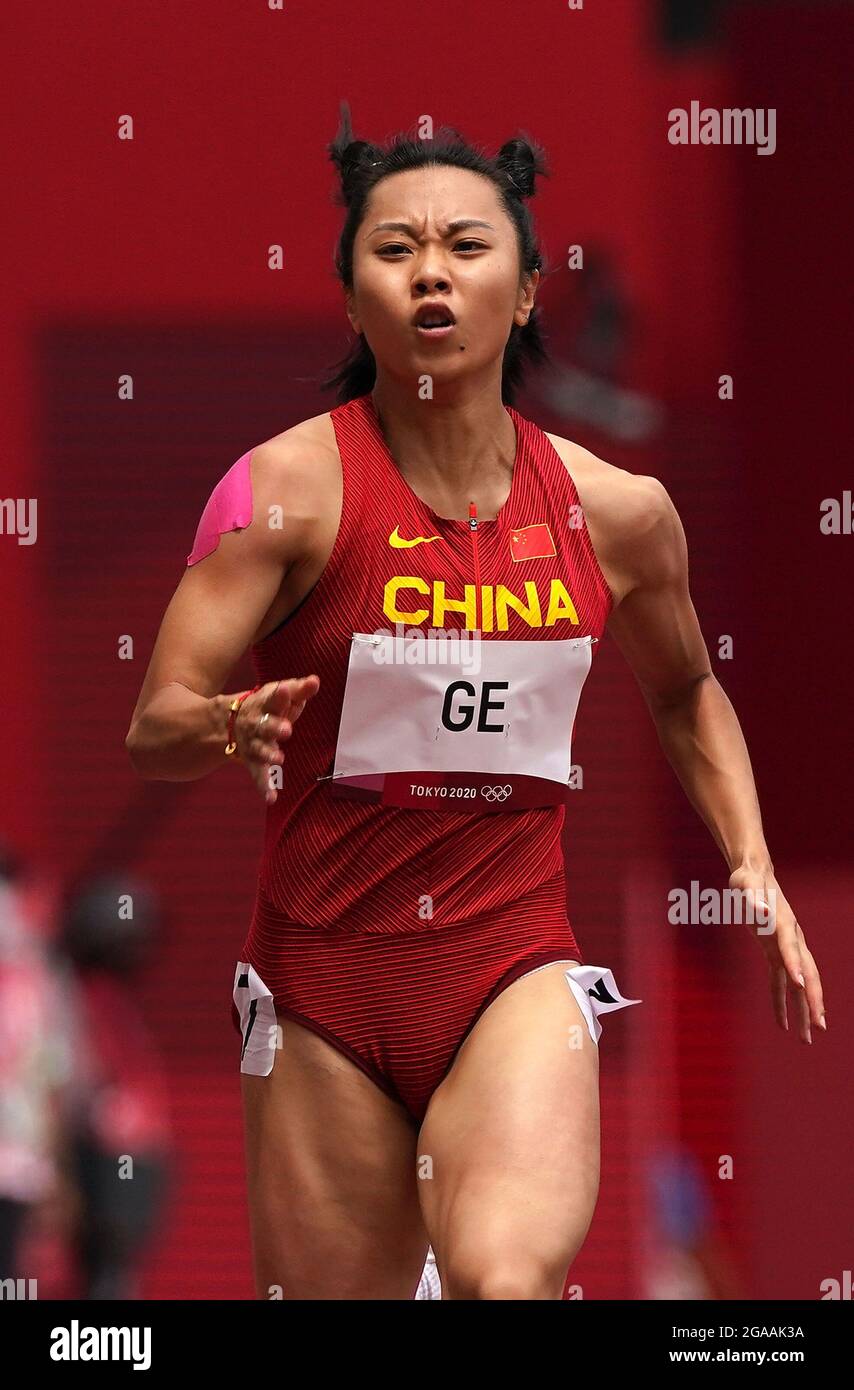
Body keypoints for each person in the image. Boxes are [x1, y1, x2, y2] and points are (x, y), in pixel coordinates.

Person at [125, 106, 826, 1301]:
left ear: (530, 287)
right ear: (352, 301)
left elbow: (686, 685)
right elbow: (154, 724)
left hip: (509, 966)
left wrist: (749, 856)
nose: (430, 272)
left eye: (463, 243)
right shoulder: (284, 490)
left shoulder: (616, 512)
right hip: (322, 985)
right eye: (392, 251)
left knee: (505, 1279)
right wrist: (224, 724)